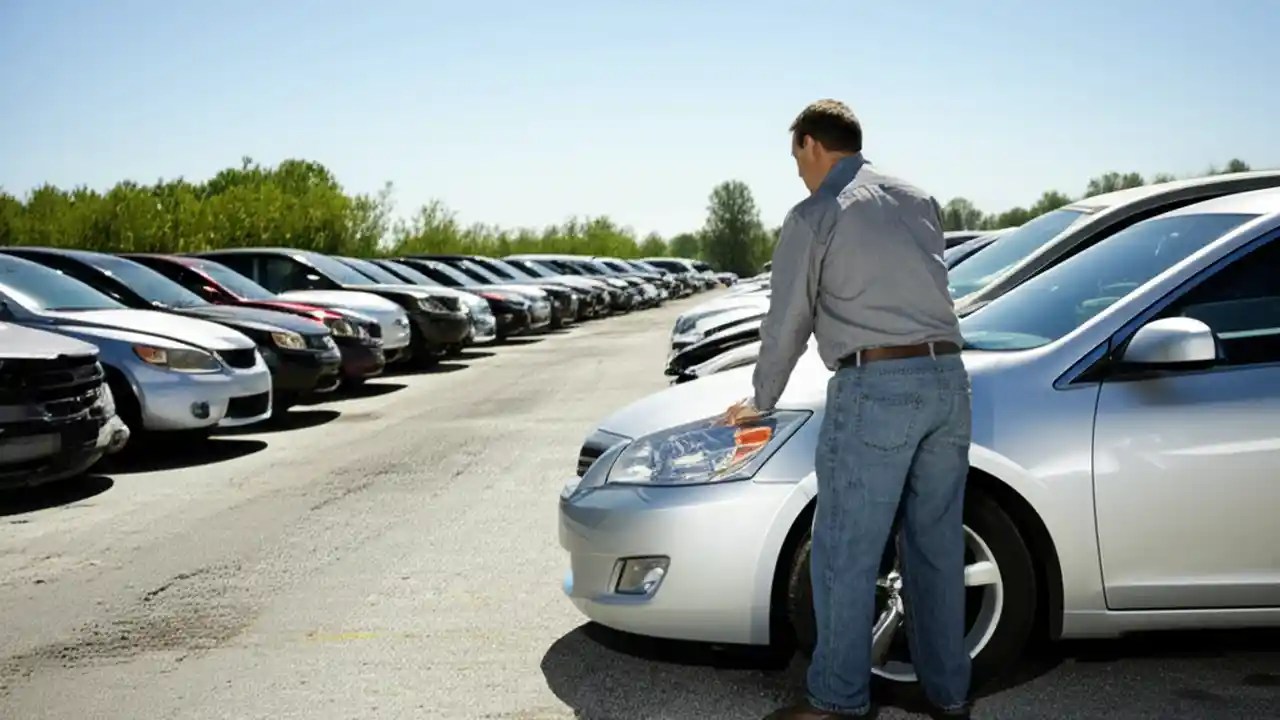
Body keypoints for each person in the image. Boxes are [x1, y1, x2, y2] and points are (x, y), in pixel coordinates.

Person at [725, 100, 974, 720]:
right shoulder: (918, 199)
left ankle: (836, 701)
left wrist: (761, 399)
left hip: (877, 389)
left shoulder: (817, 213)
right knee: (936, 549)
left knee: (844, 550)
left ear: (812, 145)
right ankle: (950, 694)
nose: (798, 174)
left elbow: (788, 318)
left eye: (796, 159)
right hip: (949, 382)